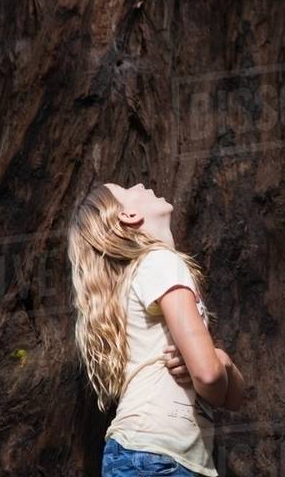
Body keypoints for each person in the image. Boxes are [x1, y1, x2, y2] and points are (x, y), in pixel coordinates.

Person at [68, 181, 244, 477]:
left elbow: (231, 397)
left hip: (145, 455)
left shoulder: (145, 272)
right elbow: (210, 376)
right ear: (129, 216)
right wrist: (213, 364)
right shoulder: (161, 263)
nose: (139, 183)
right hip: (157, 459)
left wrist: (220, 358)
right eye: (127, 188)